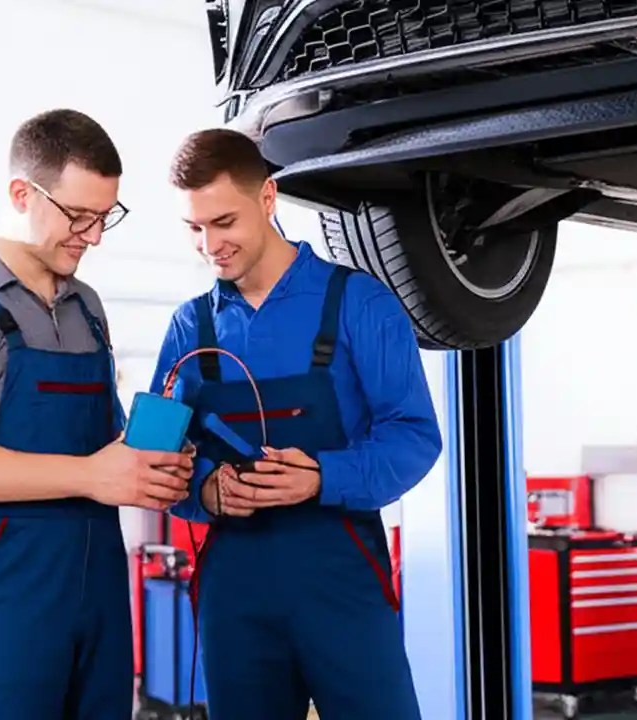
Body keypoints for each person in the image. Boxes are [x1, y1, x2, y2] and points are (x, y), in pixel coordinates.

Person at [0, 108, 193, 720]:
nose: (94, 236)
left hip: (101, 582)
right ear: (21, 194)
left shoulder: (87, 306)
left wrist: (149, 463)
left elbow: (102, 446)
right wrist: (91, 477)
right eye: (78, 216)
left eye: (105, 218)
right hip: (10, 589)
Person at [148, 128, 443, 720]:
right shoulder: (187, 328)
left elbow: (415, 435)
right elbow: (153, 458)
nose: (210, 245)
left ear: (267, 199)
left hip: (340, 578)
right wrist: (203, 490)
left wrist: (322, 477)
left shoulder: (359, 303)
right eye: (194, 229)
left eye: (223, 222)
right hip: (235, 592)